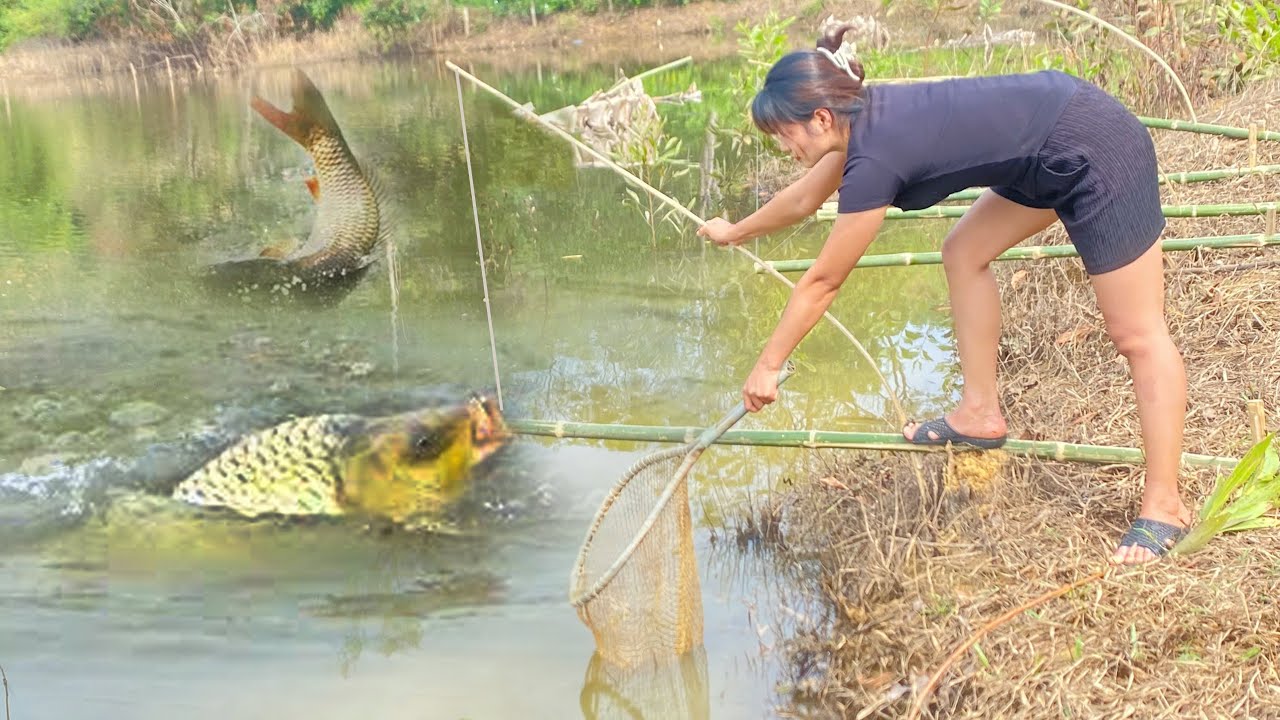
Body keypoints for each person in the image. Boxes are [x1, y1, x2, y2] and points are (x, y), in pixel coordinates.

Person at [696, 25, 1190, 565]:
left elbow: (823, 281)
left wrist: (768, 365)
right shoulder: (861, 120)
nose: (784, 148)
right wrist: (735, 231)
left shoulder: (874, 155)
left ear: (820, 118)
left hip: (1096, 145)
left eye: (785, 135)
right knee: (963, 251)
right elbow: (803, 199)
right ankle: (978, 413)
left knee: (1136, 334)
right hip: (1042, 153)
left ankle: (1166, 505)